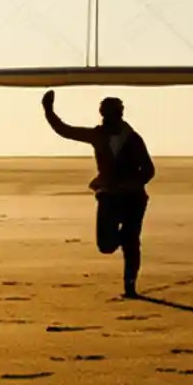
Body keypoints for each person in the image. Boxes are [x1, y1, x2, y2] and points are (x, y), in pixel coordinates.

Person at [41, 89, 155, 298]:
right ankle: (124, 239)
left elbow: (149, 170)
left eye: (109, 115)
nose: (105, 120)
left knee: (131, 242)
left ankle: (130, 286)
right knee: (106, 245)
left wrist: (130, 184)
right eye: (103, 115)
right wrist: (49, 111)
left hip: (133, 198)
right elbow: (65, 130)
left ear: (119, 115)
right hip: (108, 196)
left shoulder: (133, 139)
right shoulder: (98, 135)